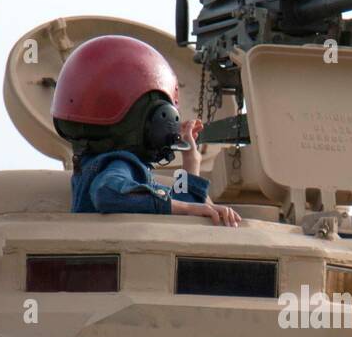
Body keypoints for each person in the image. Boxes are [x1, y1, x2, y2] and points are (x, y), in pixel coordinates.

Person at [51, 35, 240, 226]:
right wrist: (188, 208)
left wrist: (190, 163)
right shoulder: (121, 164)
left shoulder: (102, 165)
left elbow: (180, 205)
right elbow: (107, 192)